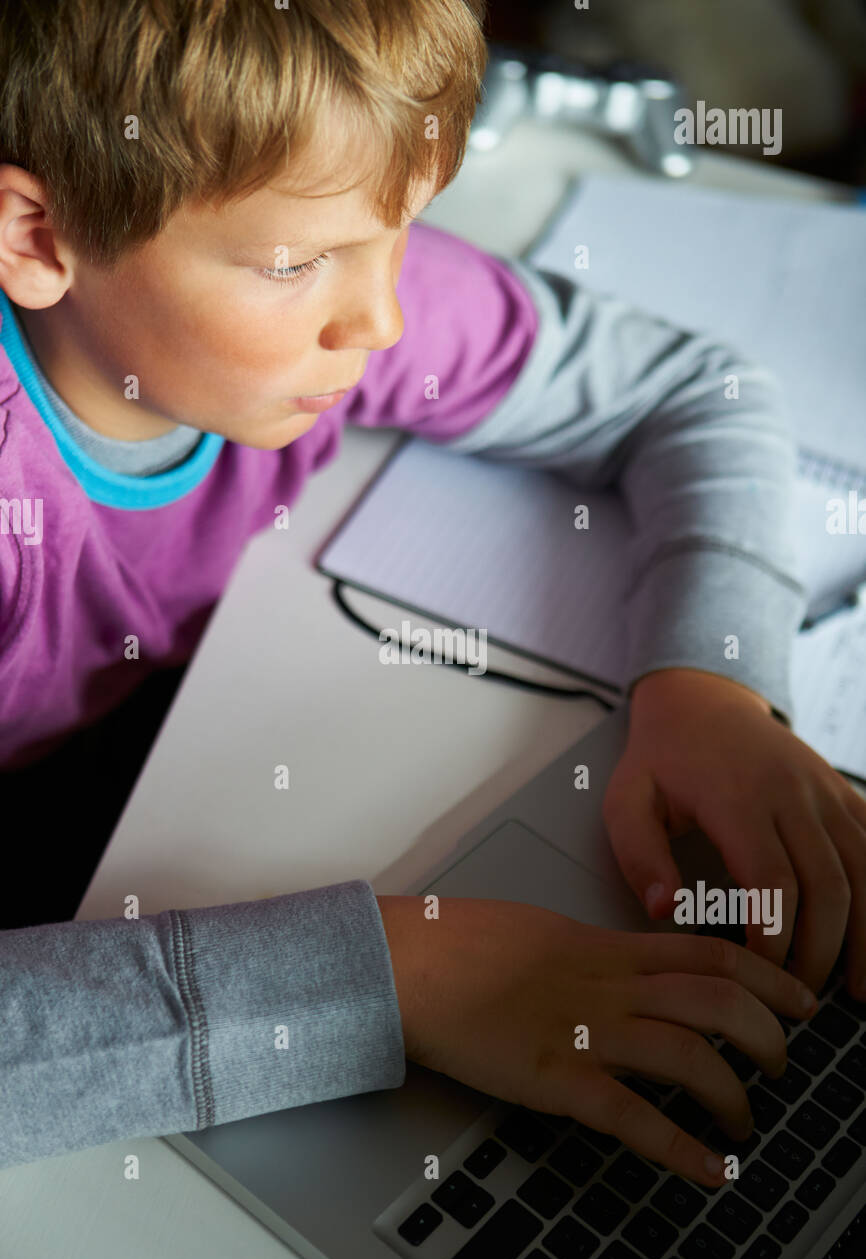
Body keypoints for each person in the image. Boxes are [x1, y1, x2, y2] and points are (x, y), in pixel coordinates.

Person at [0, 0, 861, 1184]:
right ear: (38, 236)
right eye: (296, 264)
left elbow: (689, 392)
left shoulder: (328, 306)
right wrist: (387, 979)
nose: (385, 319)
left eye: (402, 230)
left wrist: (708, 678)